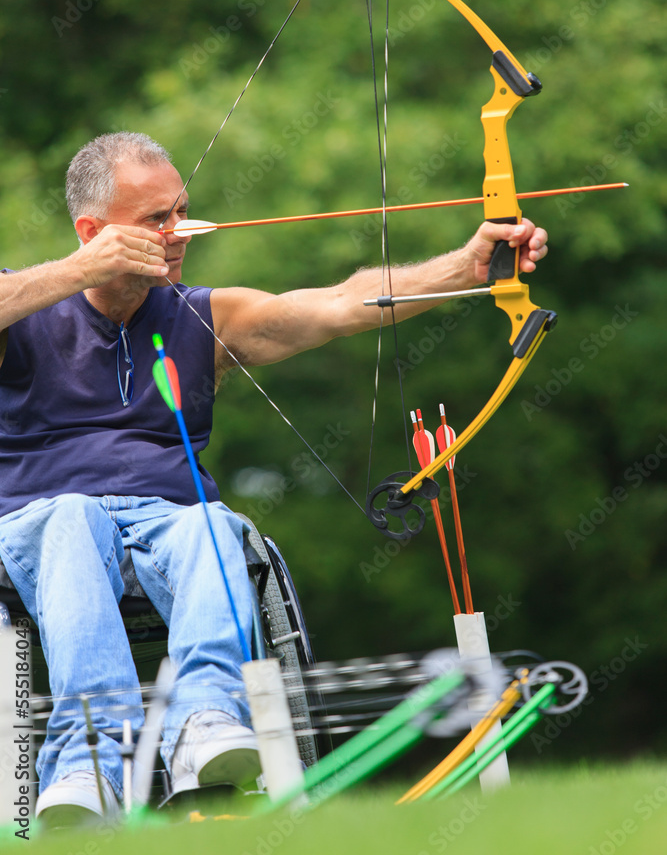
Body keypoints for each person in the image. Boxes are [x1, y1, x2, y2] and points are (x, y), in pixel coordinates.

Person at [0, 132, 548, 828]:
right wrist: (78, 271)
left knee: (212, 523)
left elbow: (337, 303)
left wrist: (465, 269)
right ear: (91, 230)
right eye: (155, 220)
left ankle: (204, 724)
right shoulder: (26, 308)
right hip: (44, 524)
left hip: (169, 520)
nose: (179, 232)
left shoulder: (204, 315)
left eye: (183, 211)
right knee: (73, 516)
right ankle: (86, 761)